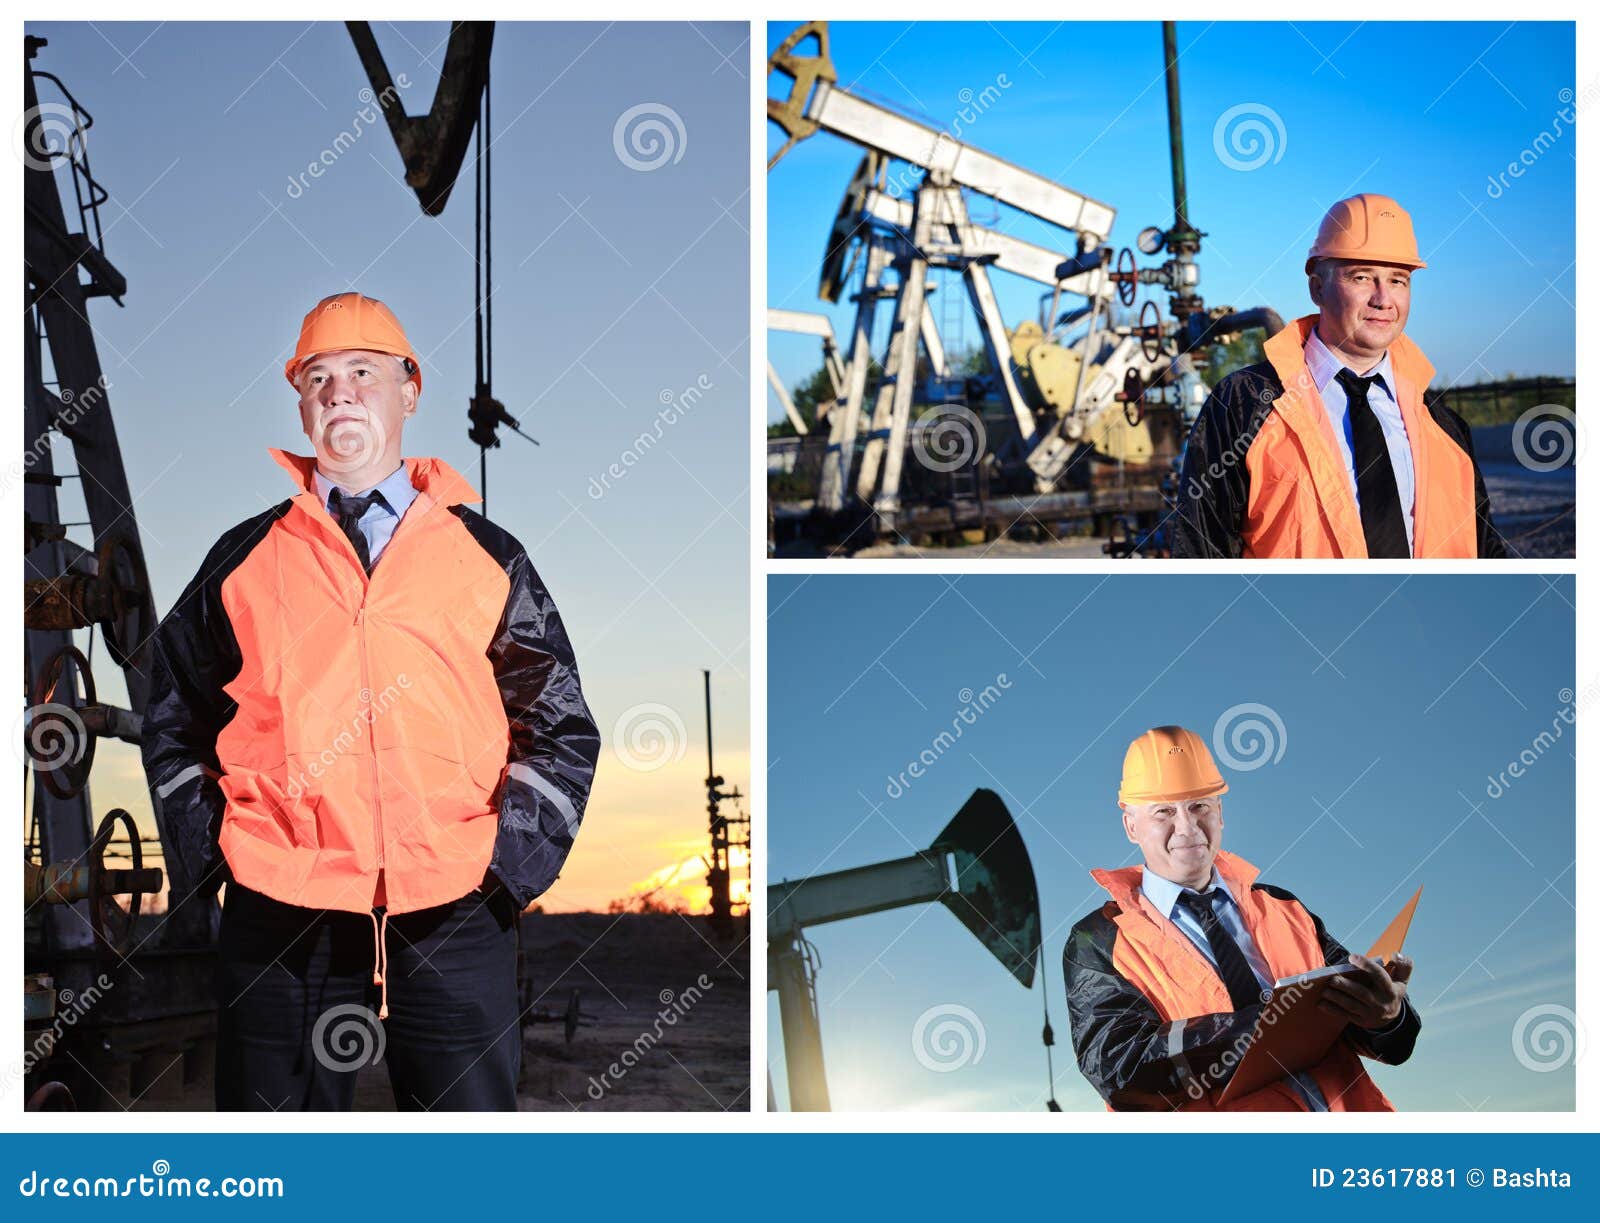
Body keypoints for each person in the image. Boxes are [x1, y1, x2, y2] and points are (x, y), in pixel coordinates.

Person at [141, 292, 600, 1111]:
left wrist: (502, 873)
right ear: (300, 400)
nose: (341, 391)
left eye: (363, 371)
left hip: (453, 915)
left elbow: (560, 725)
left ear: (410, 390)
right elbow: (171, 707)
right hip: (281, 916)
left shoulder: (485, 557)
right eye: (319, 377)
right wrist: (216, 850)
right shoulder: (245, 558)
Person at [1064, 726, 1420, 1110]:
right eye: (1163, 812)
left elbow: (1381, 1039)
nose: (1186, 828)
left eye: (1199, 806)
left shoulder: (1284, 908)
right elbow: (1120, 1070)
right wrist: (1265, 1027)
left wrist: (1389, 1017)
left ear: (1220, 812)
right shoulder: (1099, 940)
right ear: (1131, 825)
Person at [1172, 193, 1504, 558]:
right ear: (1317, 288)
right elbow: (1201, 555)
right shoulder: (1244, 406)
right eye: (1361, 277)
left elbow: (1485, 553)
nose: (1383, 299)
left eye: (1398, 281)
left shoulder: (1441, 424)